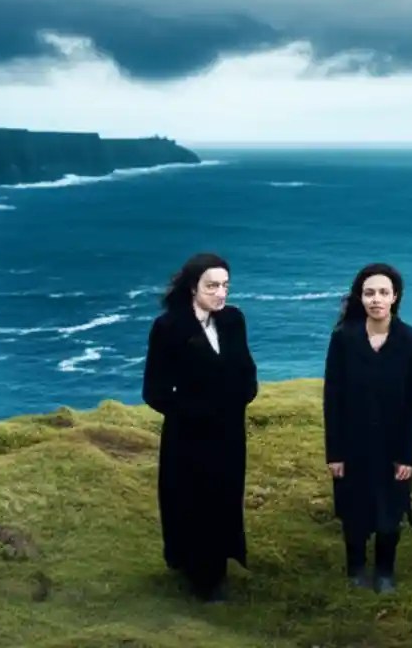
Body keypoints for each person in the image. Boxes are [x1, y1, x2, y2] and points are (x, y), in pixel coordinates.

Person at [142, 253, 258, 603]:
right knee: (192, 500)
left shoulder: (233, 320)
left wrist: (243, 396)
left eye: (225, 286)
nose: (220, 293)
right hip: (188, 435)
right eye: (212, 286)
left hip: (229, 430)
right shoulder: (169, 328)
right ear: (193, 287)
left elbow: (246, 368)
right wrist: (193, 412)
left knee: (225, 495)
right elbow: (154, 391)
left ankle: (220, 563)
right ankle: (200, 575)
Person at [323, 263, 412, 594]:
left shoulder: (411, 340)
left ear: (395, 297)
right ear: (360, 297)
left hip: (393, 445)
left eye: (383, 292)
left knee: (390, 510)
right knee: (353, 509)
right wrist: (335, 453)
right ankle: (355, 568)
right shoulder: (343, 338)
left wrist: (406, 456)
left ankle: (384, 572)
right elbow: (332, 399)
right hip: (352, 443)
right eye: (369, 293)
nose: (376, 299)